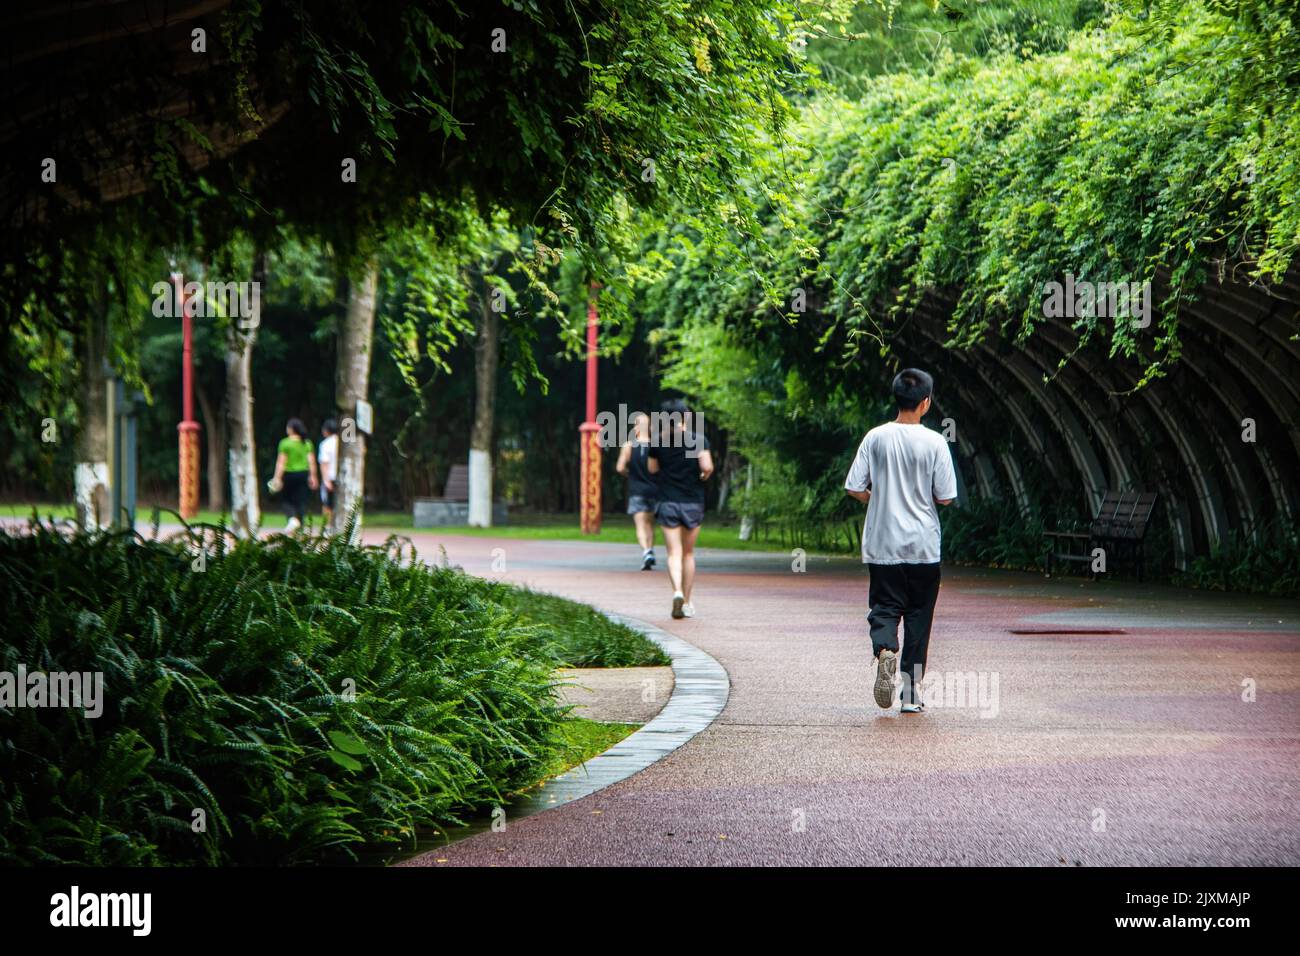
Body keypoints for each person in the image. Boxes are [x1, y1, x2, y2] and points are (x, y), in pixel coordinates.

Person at [843, 369, 957, 714]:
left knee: (885, 607)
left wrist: (875, 499)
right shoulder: (935, 442)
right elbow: (946, 497)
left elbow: (853, 487)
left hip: (883, 544)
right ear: (926, 402)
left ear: (896, 398)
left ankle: (885, 648)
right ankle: (910, 694)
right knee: (920, 617)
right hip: (923, 545)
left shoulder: (874, 437)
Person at [647, 399, 713, 619]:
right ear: (685, 417)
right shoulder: (698, 440)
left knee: (673, 553)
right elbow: (706, 467)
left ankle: (676, 591)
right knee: (688, 553)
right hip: (692, 502)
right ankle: (687, 600)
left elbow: (653, 469)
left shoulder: (657, 442)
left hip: (668, 502)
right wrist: (703, 475)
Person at [616, 412, 659, 570]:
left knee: (641, 525)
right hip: (655, 490)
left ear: (636, 428)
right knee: (650, 524)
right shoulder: (657, 446)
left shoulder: (628, 446)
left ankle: (646, 551)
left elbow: (620, 467)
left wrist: (630, 474)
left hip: (637, 490)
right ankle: (651, 550)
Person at [270, 418, 318, 533]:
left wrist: (277, 478)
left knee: (286, 499)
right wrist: (313, 476)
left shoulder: (285, 443)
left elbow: (281, 463)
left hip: (289, 474)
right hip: (303, 474)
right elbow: (311, 462)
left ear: (291, 429)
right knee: (301, 501)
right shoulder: (306, 443)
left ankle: (292, 519)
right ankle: (301, 528)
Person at [318, 418, 339, 529]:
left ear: (326, 430)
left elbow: (324, 463)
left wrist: (325, 480)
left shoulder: (325, 444)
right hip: (340, 477)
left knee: (327, 505)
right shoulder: (343, 443)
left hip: (330, 477)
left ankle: (328, 527)